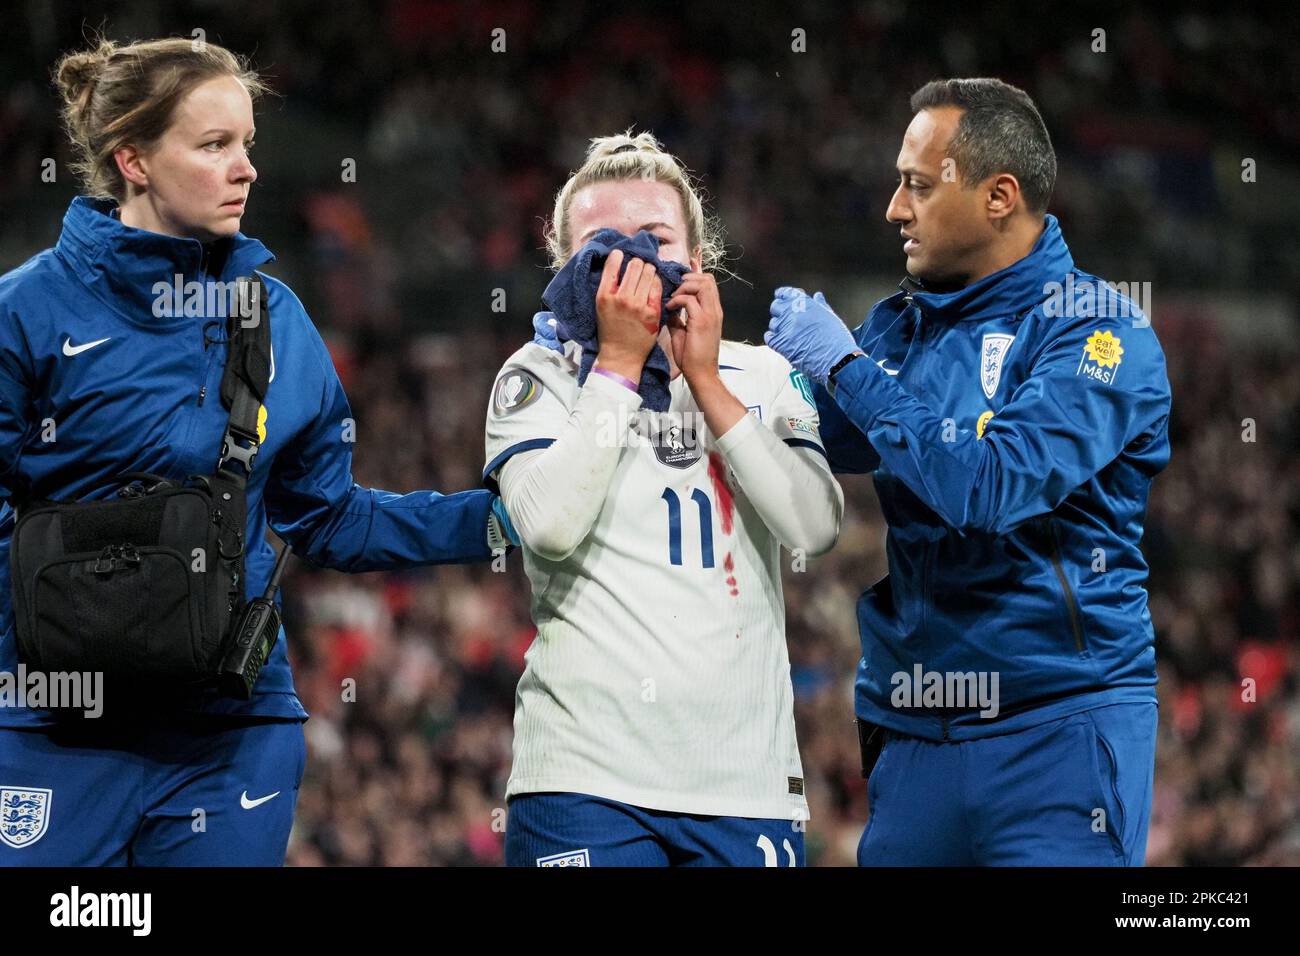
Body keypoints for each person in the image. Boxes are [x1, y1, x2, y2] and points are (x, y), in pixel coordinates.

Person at [0, 36, 514, 865]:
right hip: (52, 726)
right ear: (132, 158)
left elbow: (330, 520)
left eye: (247, 144)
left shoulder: (277, 321)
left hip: (228, 732)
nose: (246, 169)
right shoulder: (24, 313)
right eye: (214, 146)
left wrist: (499, 520)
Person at [765, 78, 1171, 865]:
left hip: (1059, 728)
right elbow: (796, 434)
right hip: (915, 731)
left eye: (918, 184)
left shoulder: (1097, 331)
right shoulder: (898, 328)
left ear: (999, 196)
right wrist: (660, 358)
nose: (894, 207)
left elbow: (988, 486)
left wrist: (848, 366)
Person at [485, 131, 844, 866]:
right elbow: (548, 527)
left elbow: (814, 526)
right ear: (564, 267)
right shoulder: (535, 378)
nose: (632, 263)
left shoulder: (762, 375)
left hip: (744, 785)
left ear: (699, 258)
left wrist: (708, 384)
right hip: (582, 778)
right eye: (602, 245)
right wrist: (617, 364)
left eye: (654, 239)